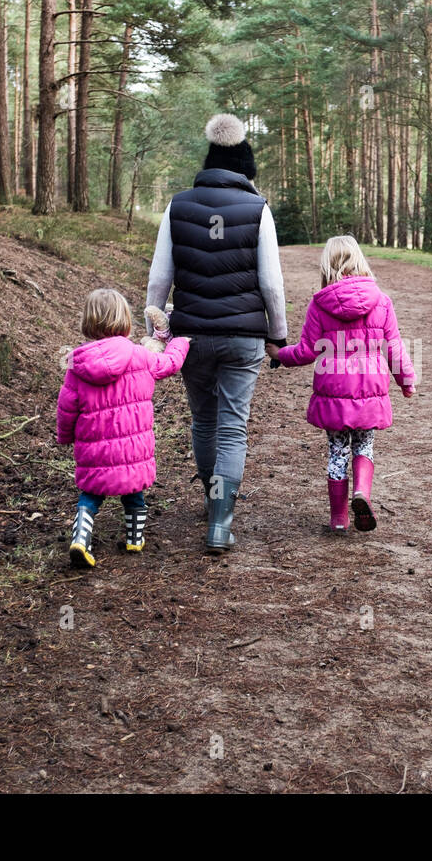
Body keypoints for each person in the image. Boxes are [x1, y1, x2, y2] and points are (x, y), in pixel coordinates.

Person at [145, 113, 289, 553]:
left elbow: (159, 279)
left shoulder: (177, 205)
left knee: (204, 420)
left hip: (190, 335)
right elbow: (270, 282)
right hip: (242, 338)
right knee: (232, 426)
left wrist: (153, 328)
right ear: (246, 172)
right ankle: (220, 524)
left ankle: (212, 500)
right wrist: (277, 336)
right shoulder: (257, 208)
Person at [267, 236, 415, 533]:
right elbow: (394, 347)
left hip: (334, 393)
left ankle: (338, 519)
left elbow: (307, 351)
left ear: (327, 265)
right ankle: (362, 492)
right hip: (370, 389)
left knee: (337, 452)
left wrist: (279, 354)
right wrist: (406, 380)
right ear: (359, 261)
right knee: (365, 446)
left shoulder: (320, 304)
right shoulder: (381, 300)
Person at [57, 288, 190, 567]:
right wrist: (179, 342)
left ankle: (80, 539)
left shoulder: (77, 364)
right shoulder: (140, 356)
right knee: (134, 490)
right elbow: (170, 363)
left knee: (91, 495)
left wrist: (66, 436)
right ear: (126, 320)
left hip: (94, 450)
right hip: (133, 449)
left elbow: (67, 406)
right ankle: (134, 538)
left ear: (88, 322)